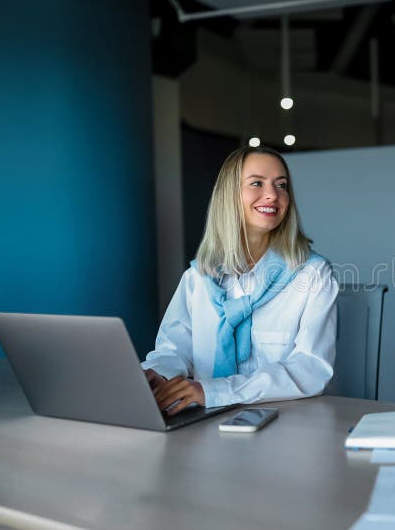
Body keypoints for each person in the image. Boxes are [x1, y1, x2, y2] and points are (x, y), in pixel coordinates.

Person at [142, 146, 338, 415]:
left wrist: (214, 391)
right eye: (257, 183)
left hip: (287, 421)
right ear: (230, 195)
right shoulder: (199, 277)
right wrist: (157, 375)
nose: (273, 194)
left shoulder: (313, 274)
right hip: (204, 419)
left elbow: (311, 368)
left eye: (281, 185)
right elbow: (174, 349)